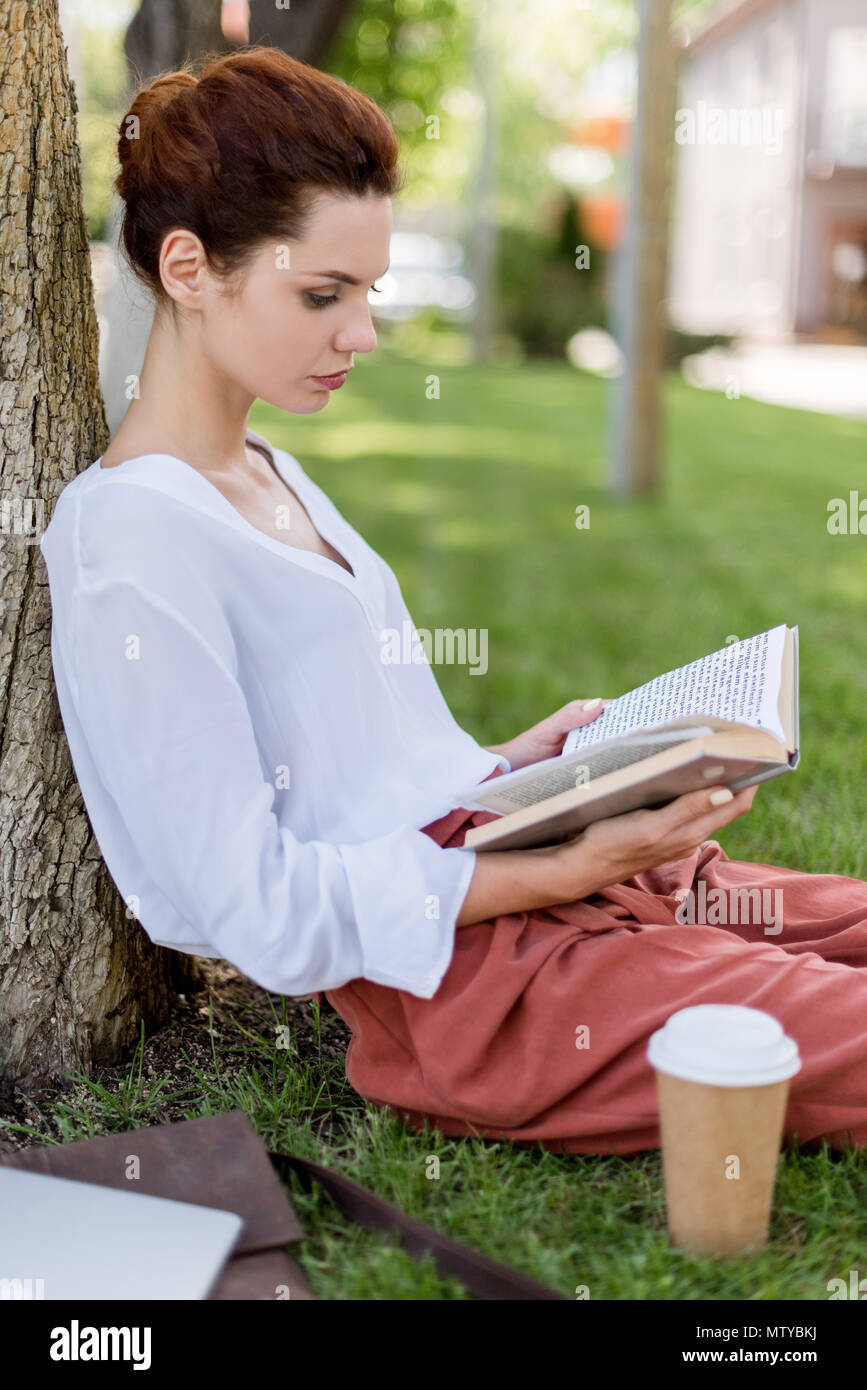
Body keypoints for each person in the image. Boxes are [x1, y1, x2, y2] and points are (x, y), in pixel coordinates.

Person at [40, 47, 867, 1159]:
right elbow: (252, 910)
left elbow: (361, 761)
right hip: (473, 979)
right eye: (323, 295)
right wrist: (546, 870)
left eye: (367, 292)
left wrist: (525, 773)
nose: (362, 334)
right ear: (188, 268)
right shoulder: (128, 536)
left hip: (520, 864)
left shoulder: (274, 470)